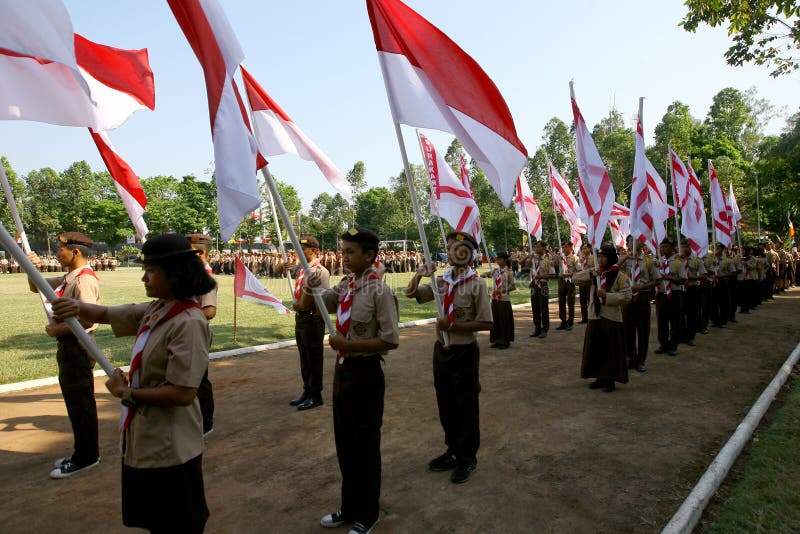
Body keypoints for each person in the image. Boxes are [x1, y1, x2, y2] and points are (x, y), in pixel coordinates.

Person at [50, 233, 215, 532]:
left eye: (151, 271)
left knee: (178, 522)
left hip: (171, 444)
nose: (144, 278)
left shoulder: (188, 322)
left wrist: (128, 392)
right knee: (157, 520)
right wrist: (74, 308)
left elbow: (182, 392)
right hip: (148, 437)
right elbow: (105, 313)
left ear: (176, 274)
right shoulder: (158, 308)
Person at [303, 227, 399, 534]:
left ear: (370, 256)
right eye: (343, 251)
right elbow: (318, 303)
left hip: (366, 374)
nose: (344, 257)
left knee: (365, 446)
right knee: (344, 443)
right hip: (342, 373)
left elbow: (390, 339)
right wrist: (310, 284)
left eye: (350, 252)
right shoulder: (346, 285)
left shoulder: (379, 291)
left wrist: (351, 346)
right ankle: (350, 506)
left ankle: (368, 513)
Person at [405, 231, 492, 485]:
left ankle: (468, 458)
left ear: (468, 253)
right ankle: (452, 450)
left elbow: (486, 322)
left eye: (457, 247)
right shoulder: (442, 281)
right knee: (446, 403)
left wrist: (452, 326)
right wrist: (420, 273)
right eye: (450, 246)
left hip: (464, 352)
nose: (451, 250)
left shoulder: (476, 284)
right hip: (441, 351)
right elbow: (413, 294)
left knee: (466, 406)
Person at [28, 232, 101, 479]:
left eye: (61, 250)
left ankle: (87, 456)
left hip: (78, 347)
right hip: (70, 346)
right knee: (75, 402)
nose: (58, 254)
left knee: (81, 404)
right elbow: (37, 285)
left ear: (76, 252)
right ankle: (83, 451)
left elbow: (89, 316)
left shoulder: (83, 281)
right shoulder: (71, 278)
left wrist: (58, 328)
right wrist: (32, 267)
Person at [276, 235, 330, 411]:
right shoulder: (302, 268)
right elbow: (277, 271)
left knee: (314, 358)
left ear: (314, 251)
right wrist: (281, 266)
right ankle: (307, 391)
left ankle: (316, 395)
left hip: (313, 318)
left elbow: (310, 301)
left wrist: (297, 305)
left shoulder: (318, 271)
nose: (298, 252)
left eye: (303, 249)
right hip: (302, 318)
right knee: (304, 358)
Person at [573, 243, 632, 392]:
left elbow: (627, 296)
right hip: (595, 316)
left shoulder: (619, 275)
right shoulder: (596, 273)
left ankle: (610, 379)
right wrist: (592, 273)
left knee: (610, 349)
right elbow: (575, 279)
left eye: (604, 256)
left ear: (611, 258)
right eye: (599, 256)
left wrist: (607, 296)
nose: (600, 259)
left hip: (611, 317)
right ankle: (599, 376)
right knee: (596, 348)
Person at [186, 233, 218, 436]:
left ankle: (206, 422)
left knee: (199, 380)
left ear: (201, 253)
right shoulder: (192, 276)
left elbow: (209, 311)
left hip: (196, 333)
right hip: (187, 333)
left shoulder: (206, 279)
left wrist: (183, 316)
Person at [618, 239, 660, 372]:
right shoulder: (625, 259)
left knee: (643, 329)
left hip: (642, 296)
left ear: (642, 244)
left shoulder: (649, 261)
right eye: (630, 242)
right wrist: (625, 257)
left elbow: (657, 280)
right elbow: (614, 269)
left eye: (636, 242)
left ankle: (641, 359)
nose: (633, 244)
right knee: (627, 328)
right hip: (627, 297)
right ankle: (631, 356)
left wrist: (641, 286)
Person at [654, 239, 687, 356]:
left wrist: (668, 278)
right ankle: (663, 344)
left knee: (675, 320)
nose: (663, 249)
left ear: (672, 248)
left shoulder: (678, 262)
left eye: (666, 247)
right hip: (661, 294)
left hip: (675, 294)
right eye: (661, 247)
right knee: (661, 320)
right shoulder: (658, 262)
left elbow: (683, 279)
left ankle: (673, 345)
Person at [480, 251, 516, 349]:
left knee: (504, 320)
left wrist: (503, 290)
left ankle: (505, 341)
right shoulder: (495, 271)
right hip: (495, 299)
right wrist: (478, 276)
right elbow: (486, 274)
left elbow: (513, 287)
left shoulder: (509, 272)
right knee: (495, 319)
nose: (497, 260)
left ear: (505, 260)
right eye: (497, 259)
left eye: (500, 259)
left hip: (504, 300)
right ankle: (497, 340)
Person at [528, 241, 556, 338]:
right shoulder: (534, 259)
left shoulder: (548, 259)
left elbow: (553, 275)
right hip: (534, 285)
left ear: (543, 249)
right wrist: (529, 257)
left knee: (543, 308)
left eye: (538, 247)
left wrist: (540, 277)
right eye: (535, 247)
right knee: (534, 307)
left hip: (543, 284)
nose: (536, 248)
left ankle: (544, 329)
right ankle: (537, 328)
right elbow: (521, 263)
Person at [556, 241, 580, 331]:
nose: (564, 249)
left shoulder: (575, 258)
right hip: (561, 280)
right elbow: (552, 264)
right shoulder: (561, 258)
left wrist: (569, 274)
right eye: (563, 247)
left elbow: (578, 271)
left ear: (571, 248)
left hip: (570, 281)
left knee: (570, 302)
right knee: (561, 302)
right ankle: (563, 321)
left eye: (566, 247)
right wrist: (558, 258)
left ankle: (570, 322)